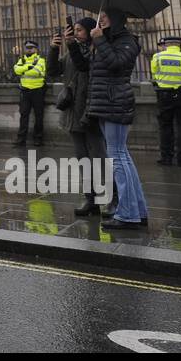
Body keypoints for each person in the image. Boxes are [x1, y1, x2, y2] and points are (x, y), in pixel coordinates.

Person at [88, 8, 148, 230]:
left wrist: (101, 41)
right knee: (122, 157)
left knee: (118, 158)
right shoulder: (109, 40)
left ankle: (127, 214)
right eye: (100, 16)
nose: (100, 18)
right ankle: (137, 210)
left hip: (115, 103)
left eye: (105, 16)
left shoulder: (127, 41)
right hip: (106, 103)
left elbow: (117, 65)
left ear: (117, 19)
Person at [48, 17, 107, 215]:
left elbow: (84, 66)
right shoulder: (70, 53)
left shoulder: (96, 51)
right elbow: (53, 71)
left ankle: (109, 197)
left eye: (80, 30)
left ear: (91, 32)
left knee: (99, 157)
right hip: (73, 114)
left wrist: (71, 44)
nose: (75, 33)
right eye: (75, 30)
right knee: (83, 159)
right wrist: (54, 49)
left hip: (90, 113)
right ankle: (90, 199)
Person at [151, 34, 181, 167]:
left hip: (164, 96)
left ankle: (166, 157)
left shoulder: (157, 57)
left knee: (165, 127)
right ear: (178, 45)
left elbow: (154, 73)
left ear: (166, 45)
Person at [12, 40, 47, 147]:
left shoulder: (40, 60)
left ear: (36, 49)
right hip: (25, 91)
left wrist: (24, 70)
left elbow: (37, 72)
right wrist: (29, 67)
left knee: (39, 116)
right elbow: (16, 70)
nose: (29, 49)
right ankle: (21, 139)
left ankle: (38, 139)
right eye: (27, 48)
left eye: (31, 48)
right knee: (24, 116)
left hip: (38, 90)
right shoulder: (21, 59)